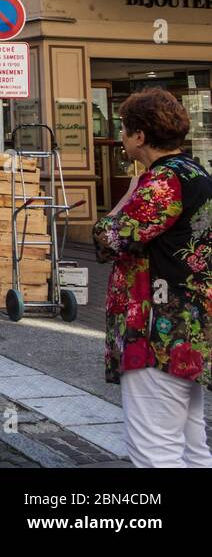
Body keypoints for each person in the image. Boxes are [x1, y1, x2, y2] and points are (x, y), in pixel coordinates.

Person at [93, 87, 212, 468]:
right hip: (189, 325)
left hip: (156, 328)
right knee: (192, 445)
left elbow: (110, 240)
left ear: (140, 136)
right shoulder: (196, 173)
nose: (122, 138)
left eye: (124, 130)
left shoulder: (162, 182)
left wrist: (124, 201)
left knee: (154, 451)